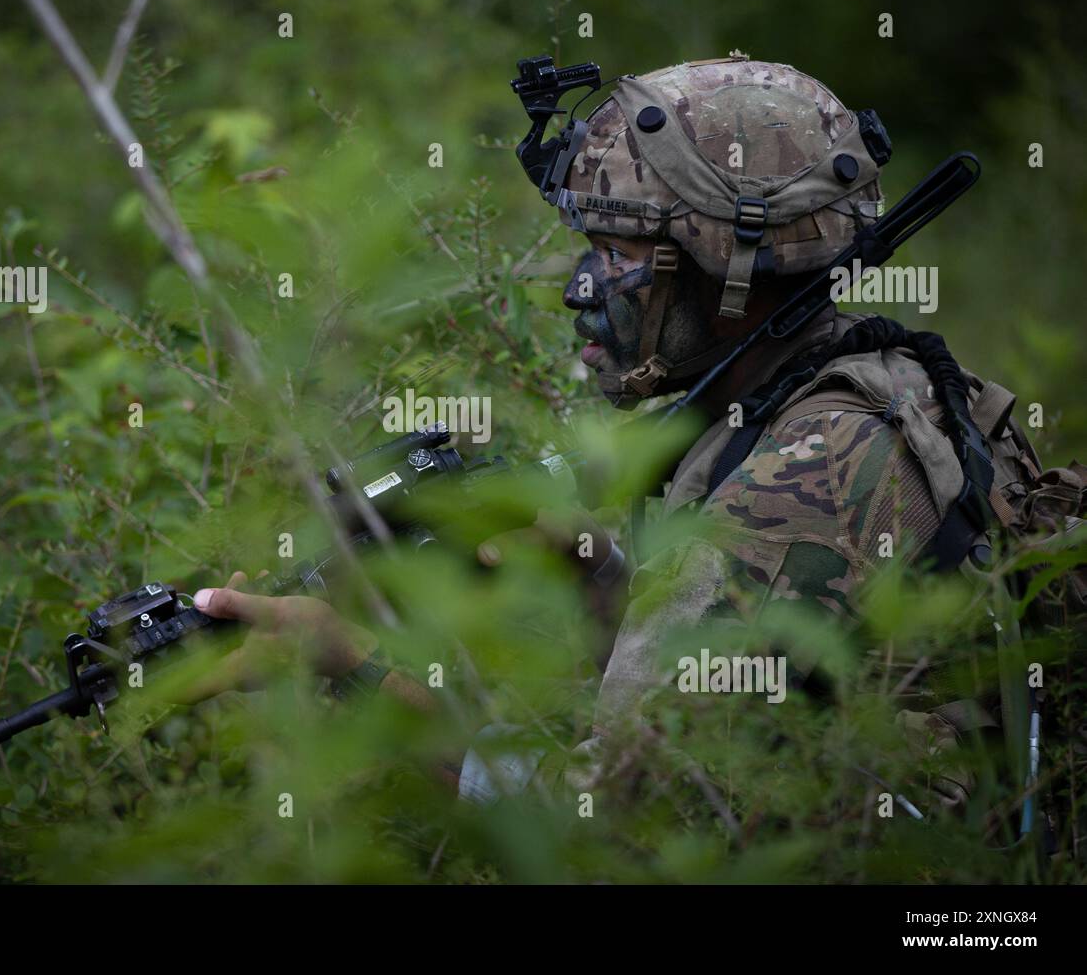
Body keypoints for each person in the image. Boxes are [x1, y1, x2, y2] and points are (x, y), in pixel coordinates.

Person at [187, 53, 1040, 808]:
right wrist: (606, 589)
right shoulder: (871, 381)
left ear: (728, 268)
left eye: (617, 251)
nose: (580, 288)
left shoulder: (800, 476)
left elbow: (609, 832)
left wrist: (354, 666)